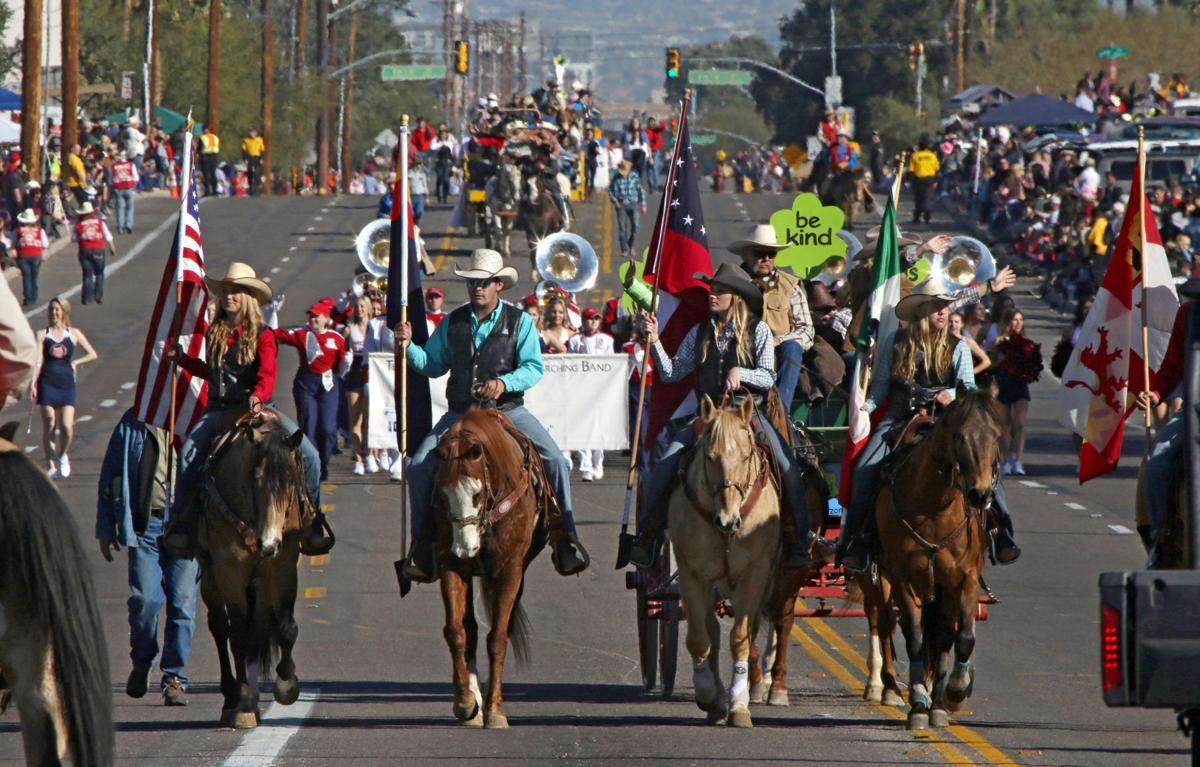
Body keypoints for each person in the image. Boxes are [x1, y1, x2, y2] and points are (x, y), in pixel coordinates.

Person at [395, 249, 590, 580]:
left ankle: (565, 539)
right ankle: (423, 547)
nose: (477, 289)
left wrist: (503, 382)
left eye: (483, 283)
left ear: (499, 284)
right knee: (417, 467)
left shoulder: (521, 322)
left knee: (556, 461)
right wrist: (408, 346)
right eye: (472, 282)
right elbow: (432, 364)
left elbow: (533, 367)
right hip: (461, 413)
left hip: (507, 411)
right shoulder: (453, 323)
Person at [627, 264, 817, 571]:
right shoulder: (699, 331)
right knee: (666, 463)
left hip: (747, 414)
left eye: (719, 291)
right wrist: (656, 341)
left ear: (736, 297)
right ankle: (648, 538)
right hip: (710, 416)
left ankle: (796, 542)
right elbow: (672, 372)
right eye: (712, 290)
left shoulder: (759, 330)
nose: (712, 295)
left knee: (789, 467)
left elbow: (768, 377)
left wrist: (740, 372)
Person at [837, 280, 1020, 572]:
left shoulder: (957, 347)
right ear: (921, 311)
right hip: (898, 420)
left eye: (946, 307)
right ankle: (857, 541)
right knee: (864, 471)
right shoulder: (895, 343)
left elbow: (969, 389)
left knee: (987, 466)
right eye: (937, 306)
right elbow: (881, 388)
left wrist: (954, 394)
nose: (943, 312)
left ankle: (1001, 533)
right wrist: (866, 407)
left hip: (943, 422)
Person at [163, 262, 333, 559]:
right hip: (218, 409)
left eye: (236, 291)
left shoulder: (263, 334)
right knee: (189, 454)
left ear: (248, 298)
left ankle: (311, 518)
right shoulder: (215, 331)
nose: (229, 296)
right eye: (226, 291)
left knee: (311, 455)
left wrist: (257, 397)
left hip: (256, 406)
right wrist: (184, 361)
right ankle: (183, 525)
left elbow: (267, 374)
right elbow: (213, 373)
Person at [97, 409, 197, 707]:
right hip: (145, 526)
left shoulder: (197, 418)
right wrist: (106, 527)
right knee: (146, 600)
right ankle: (142, 662)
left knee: (182, 604)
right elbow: (112, 473)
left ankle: (174, 677)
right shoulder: (133, 423)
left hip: (186, 528)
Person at [731, 224, 814, 416]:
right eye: (760, 253)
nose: (767, 259)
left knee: (793, 346)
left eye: (772, 254)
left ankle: (779, 412)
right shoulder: (732, 284)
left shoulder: (790, 285)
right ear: (745, 255)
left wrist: (777, 340)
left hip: (779, 352)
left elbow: (807, 330)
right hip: (741, 350)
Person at [274, 299, 349, 482]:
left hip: (328, 385)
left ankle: (322, 461)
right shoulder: (301, 334)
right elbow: (276, 335)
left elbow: (342, 365)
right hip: (306, 384)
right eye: (311, 316)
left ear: (326, 318)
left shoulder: (336, 338)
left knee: (328, 428)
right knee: (308, 425)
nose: (313, 319)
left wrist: (347, 363)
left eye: (317, 316)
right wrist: (272, 313)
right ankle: (310, 463)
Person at [35, 297, 98, 479]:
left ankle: (62, 455)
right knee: (49, 421)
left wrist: (76, 362)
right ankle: (49, 463)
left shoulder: (74, 333)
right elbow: (39, 361)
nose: (54, 313)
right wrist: (33, 383)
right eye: (51, 309)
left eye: (57, 310)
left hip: (66, 384)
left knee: (66, 427)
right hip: (47, 382)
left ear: (63, 312)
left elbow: (92, 353)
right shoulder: (42, 334)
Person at [568, 307, 615, 481]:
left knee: (598, 428)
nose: (593, 322)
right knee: (582, 428)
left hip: (599, 390)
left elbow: (610, 364)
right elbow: (571, 363)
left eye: (596, 319)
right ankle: (585, 465)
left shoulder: (606, 340)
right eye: (589, 319)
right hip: (581, 390)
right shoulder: (575, 341)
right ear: (583, 320)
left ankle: (597, 463)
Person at [991, 310, 1041, 475]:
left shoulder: (1028, 344)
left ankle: (1018, 462)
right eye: (1014, 320)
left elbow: (1033, 365)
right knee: (1004, 426)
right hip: (1003, 383)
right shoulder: (1000, 341)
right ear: (1009, 322)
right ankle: (1005, 461)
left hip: (1020, 385)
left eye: (1020, 320)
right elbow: (992, 363)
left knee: (1019, 424)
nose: (1018, 323)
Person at [342, 294, 373, 475]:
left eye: (362, 306)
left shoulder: (375, 327)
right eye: (357, 306)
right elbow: (344, 351)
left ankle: (370, 454)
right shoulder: (349, 329)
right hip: (355, 371)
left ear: (368, 308)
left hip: (370, 369)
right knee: (356, 419)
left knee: (370, 418)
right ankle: (358, 458)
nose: (359, 309)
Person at [72, 201, 116, 305]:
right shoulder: (100, 223)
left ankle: (87, 298)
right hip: (98, 249)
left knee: (87, 275)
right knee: (100, 273)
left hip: (84, 250)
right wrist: (112, 247)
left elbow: (73, 239)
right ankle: (98, 295)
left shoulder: (78, 225)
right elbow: (108, 235)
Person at [609, 160, 647, 259]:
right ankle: (624, 249)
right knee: (622, 228)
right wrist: (615, 201)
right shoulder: (616, 177)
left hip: (633, 203)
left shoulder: (635, 176)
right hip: (621, 204)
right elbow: (611, 190)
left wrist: (643, 205)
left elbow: (640, 190)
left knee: (635, 225)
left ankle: (631, 244)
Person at [14, 208, 49, 306]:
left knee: (26, 277)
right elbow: (45, 244)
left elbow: (12, 242)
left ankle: (28, 298)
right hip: (36, 255)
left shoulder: (18, 231)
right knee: (34, 277)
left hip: (23, 255)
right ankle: (34, 297)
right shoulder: (39, 230)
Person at [908, 138, 940, 224]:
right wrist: (936, 181)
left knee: (918, 198)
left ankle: (917, 217)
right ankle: (927, 215)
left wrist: (911, 182)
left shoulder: (915, 155)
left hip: (918, 180)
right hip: (930, 179)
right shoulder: (932, 156)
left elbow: (911, 170)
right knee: (928, 197)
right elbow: (937, 170)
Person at [111, 149, 139, 234]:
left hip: (118, 188)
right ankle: (128, 225)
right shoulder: (131, 165)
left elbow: (111, 177)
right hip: (128, 187)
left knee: (119, 208)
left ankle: (120, 227)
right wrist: (134, 185)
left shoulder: (114, 166)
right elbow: (136, 177)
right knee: (130, 208)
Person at [241, 128, 265, 195]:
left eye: (254, 133)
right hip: (249, 158)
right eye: (251, 132)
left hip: (257, 157)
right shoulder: (246, 140)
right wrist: (245, 159)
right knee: (250, 173)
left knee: (257, 172)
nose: (252, 134)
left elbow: (262, 150)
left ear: (256, 133)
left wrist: (262, 159)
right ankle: (251, 187)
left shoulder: (259, 140)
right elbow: (243, 151)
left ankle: (258, 184)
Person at [199, 126, 221, 197]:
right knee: (213, 174)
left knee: (206, 174)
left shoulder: (203, 137)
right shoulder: (215, 137)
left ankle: (208, 191)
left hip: (206, 157)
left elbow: (199, 148)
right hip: (214, 156)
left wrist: (198, 154)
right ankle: (215, 190)